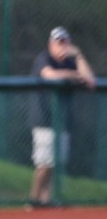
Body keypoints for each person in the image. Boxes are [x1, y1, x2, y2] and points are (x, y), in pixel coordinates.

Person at [28, 27, 95, 207]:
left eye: (65, 43)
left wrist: (79, 55)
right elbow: (49, 75)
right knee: (44, 163)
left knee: (55, 163)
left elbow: (90, 80)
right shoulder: (44, 58)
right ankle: (33, 200)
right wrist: (75, 75)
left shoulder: (71, 62)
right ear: (51, 44)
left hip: (62, 120)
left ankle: (46, 201)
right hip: (44, 119)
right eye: (58, 43)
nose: (62, 46)